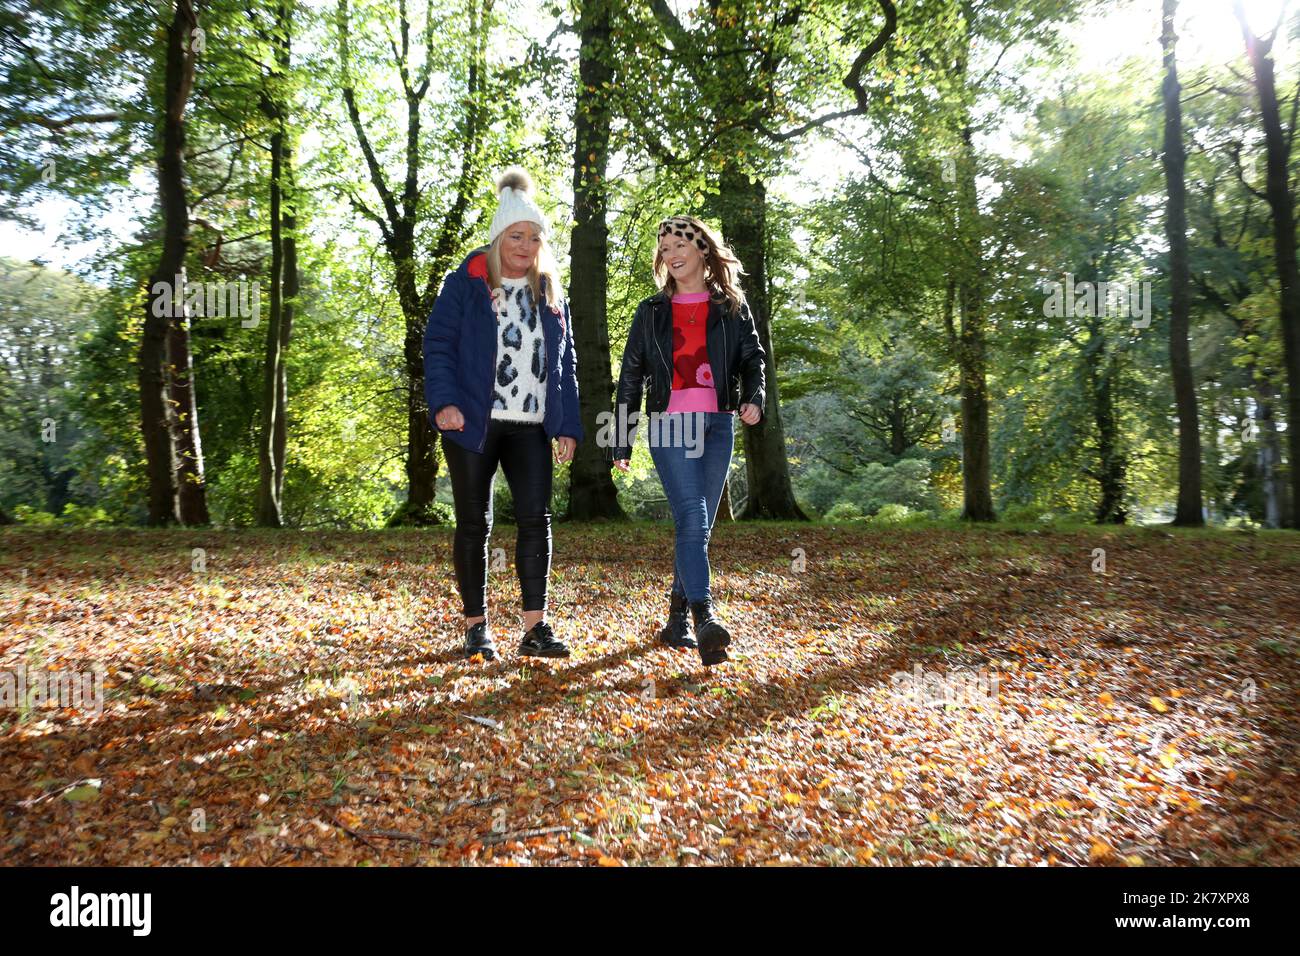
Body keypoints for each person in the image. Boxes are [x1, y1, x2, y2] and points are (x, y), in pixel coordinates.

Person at [423, 167, 582, 661]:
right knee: (476, 522)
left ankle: (536, 628)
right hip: (473, 422)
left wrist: (569, 424)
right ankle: (477, 628)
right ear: (498, 238)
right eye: (517, 235)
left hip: (530, 425)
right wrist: (444, 404)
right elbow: (439, 344)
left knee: (537, 519)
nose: (526, 245)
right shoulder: (467, 282)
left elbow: (566, 363)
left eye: (534, 237)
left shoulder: (551, 294)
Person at [609, 215, 766, 666]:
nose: (671, 254)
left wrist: (754, 397)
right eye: (664, 247)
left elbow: (753, 359)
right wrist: (621, 438)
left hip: (717, 424)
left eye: (679, 244)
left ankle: (677, 617)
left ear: (701, 249)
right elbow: (631, 376)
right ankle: (706, 619)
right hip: (670, 425)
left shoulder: (731, 306)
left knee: (700, 527)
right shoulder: (651, 310)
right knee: (694, 519)